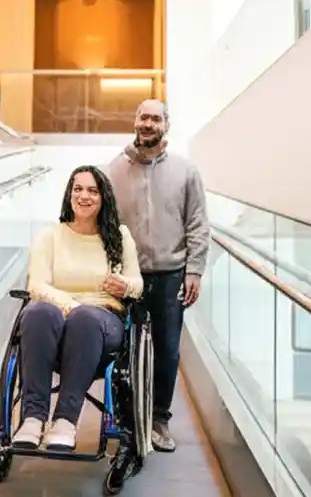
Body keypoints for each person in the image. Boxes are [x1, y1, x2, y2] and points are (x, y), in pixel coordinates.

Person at [12, 166, 144, 451]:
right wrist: (69, 306)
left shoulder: (119, 237)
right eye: (78, 189)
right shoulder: (51, 237)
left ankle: (66, 421)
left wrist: (125, 287)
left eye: (92, 190)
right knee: (37, 312)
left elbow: (138, 283)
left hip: (102, 322)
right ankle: (33, 418)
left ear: (103, 197)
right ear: (69, 194)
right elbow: (37, 284)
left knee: (85, 318)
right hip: (55, 319)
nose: (84, 196)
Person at [105, 99, 208, 453]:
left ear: (166, 124)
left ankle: (159, 419)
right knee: (120, 349)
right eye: (143, 117)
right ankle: (124, 417)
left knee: (166, 351)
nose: (148, 123)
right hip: (126, 277)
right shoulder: (112, 171)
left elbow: (197, 224)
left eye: (155, 118)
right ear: (135, 122)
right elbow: (103, 227)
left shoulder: (185, 172)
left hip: (169, 277)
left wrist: (194, 270)